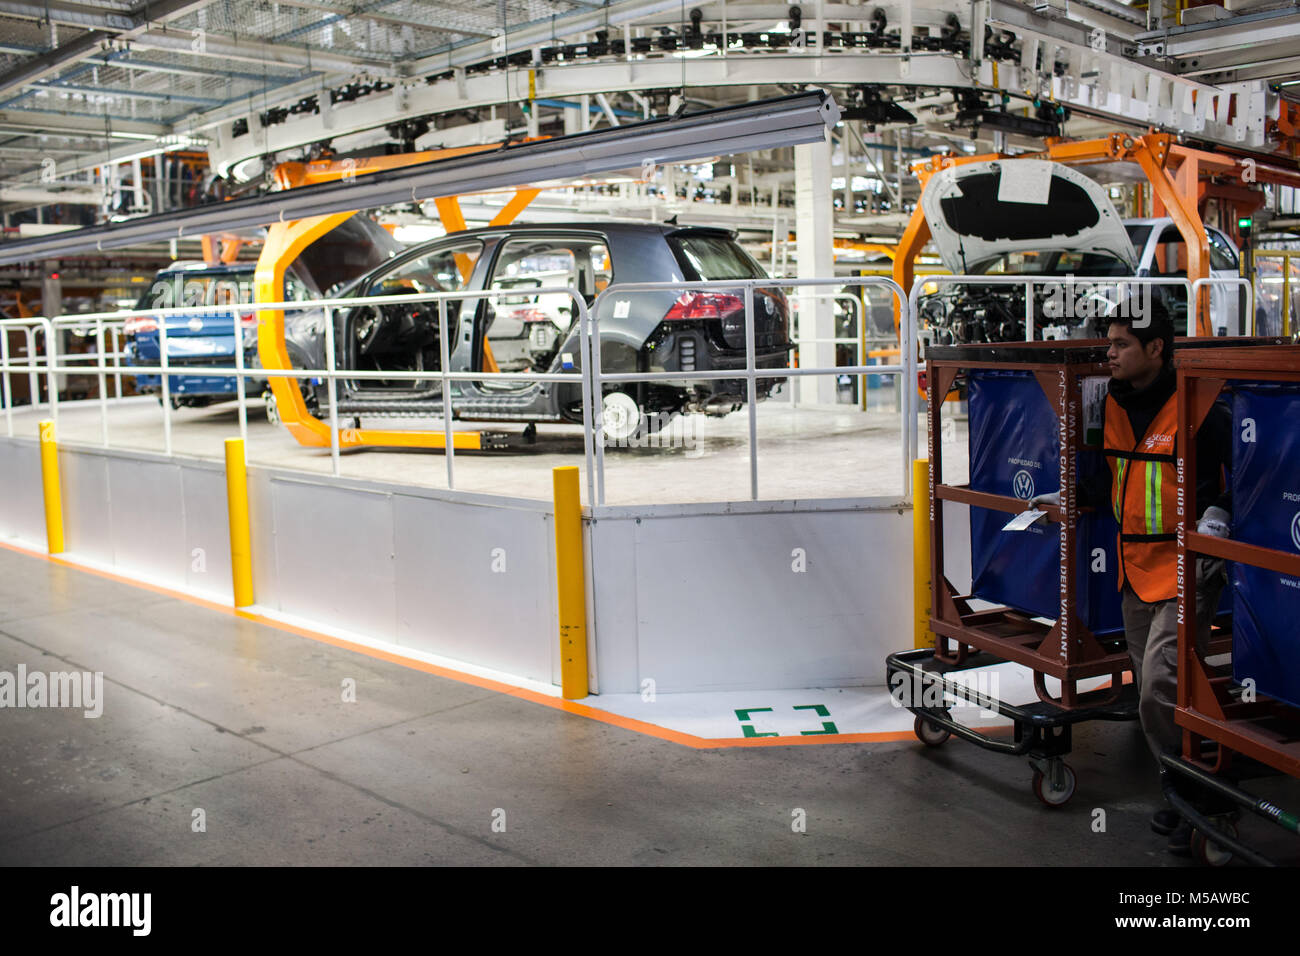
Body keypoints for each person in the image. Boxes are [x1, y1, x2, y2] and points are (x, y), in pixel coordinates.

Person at [1033, 296, 1231, 854]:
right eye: (1110, 342)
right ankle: (1184, 791)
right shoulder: (1112, 407)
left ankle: (1205, 797)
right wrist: (1067, 494)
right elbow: (1107, 481)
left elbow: (1248, 473)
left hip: (1187, 567)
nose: (1110, 354)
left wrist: (1222, 511)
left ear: (1156, 349)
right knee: (1152, 689)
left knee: (1162, 685)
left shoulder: (1200, 409)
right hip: (1135, 570)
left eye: (1121, 344)